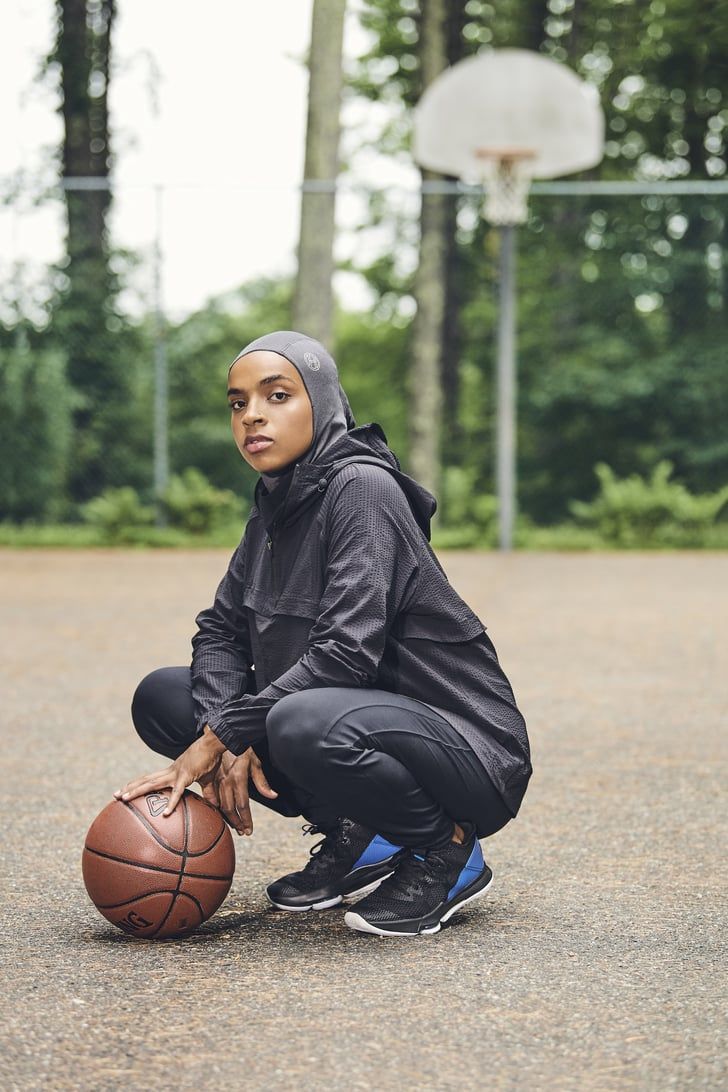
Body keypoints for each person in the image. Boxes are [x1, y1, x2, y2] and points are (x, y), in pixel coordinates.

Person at [116, 330, 532, 937]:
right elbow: (220, 632)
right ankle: (358, 837)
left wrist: (225, 734)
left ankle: (448, 850)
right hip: (357, 723)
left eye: (277, 395)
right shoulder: (274, 503)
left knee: (298, 720)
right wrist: (222, 730)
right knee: (164, 698)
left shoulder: (363, 488)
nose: (252, 415)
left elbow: (346, 652)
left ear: (323, 401)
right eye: (238, 403)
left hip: (465, 746)